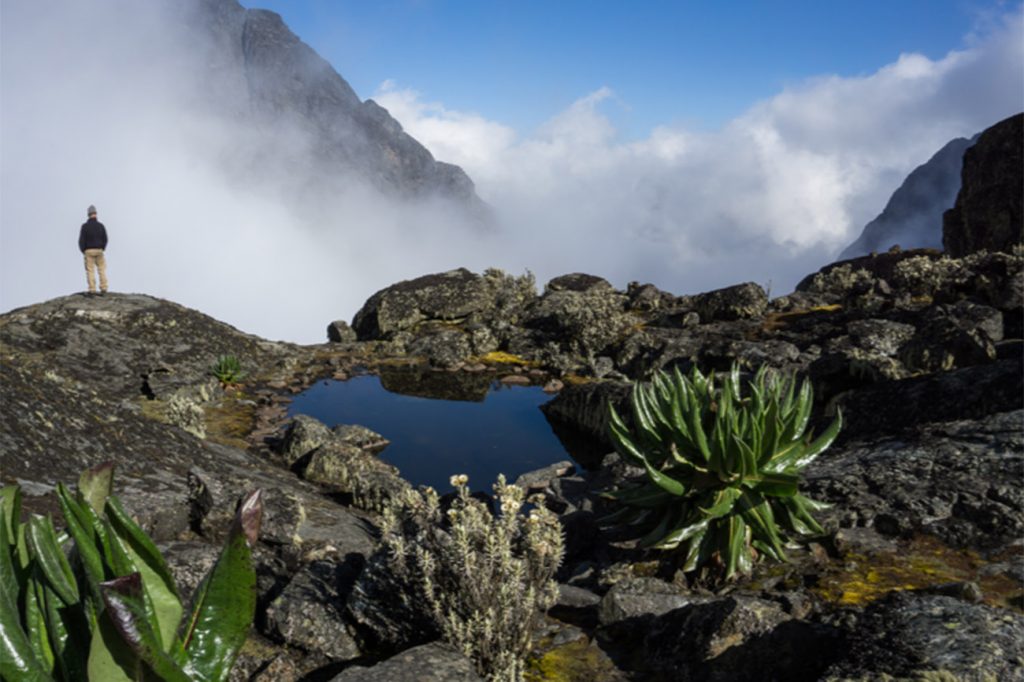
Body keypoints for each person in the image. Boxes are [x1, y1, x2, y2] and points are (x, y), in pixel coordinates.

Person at [79, 205, 108, 295]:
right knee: (101, 269)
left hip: (89, 251)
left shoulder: (85, 226)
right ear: (96, 214)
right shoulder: (101, 226)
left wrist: (83, 250)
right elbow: (105, 238)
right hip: (99, 250)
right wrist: (102, 247)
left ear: (88, 214)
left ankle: (92, 289)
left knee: (90, 270)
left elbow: (81, 240)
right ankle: (104, 287)